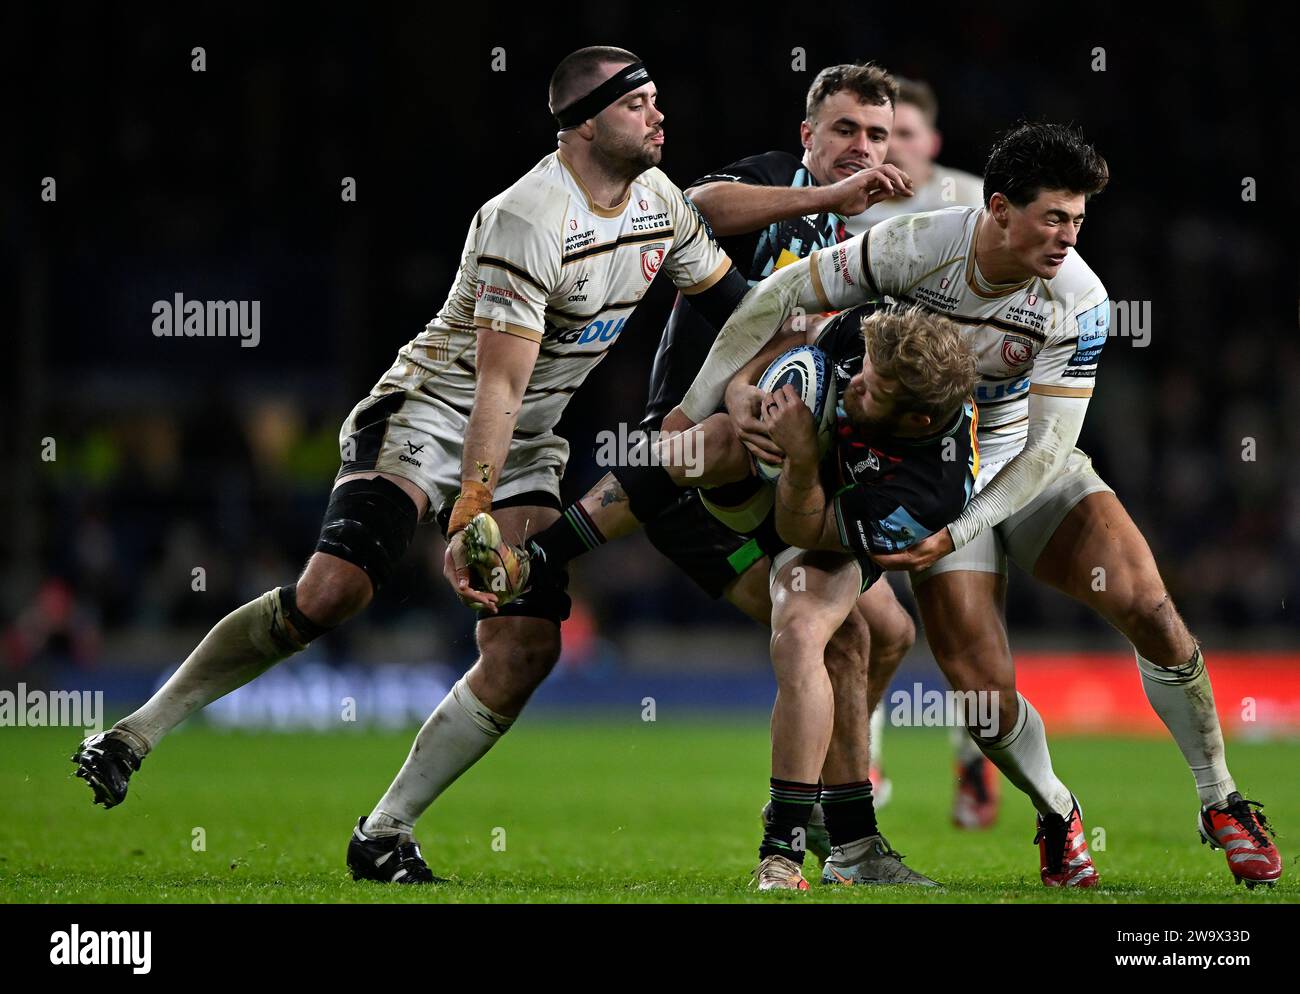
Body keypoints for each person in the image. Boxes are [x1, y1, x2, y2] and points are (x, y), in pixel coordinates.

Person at [73, 46, 752, 886]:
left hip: (527, 443)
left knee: (527, 644)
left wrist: (830, 215)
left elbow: (739, 303)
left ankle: (384, 831)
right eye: (638, 102)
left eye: (657, 99)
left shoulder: (658, 201)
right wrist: (471, 511)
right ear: (584, 122)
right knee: (334, 594)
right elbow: (497, 380)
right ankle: (133, 732)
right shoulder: (527, 218)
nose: (660, 115)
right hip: (430, 415)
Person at [663, 121, 1282, 889]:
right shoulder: (918, 247)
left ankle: (1221, 798)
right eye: (1052, 217)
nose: (1067, 237)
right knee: (984, 698)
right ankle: (1058, 812)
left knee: (1150, 604)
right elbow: (786, 291)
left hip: (1023, 465)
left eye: (1078, 220)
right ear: (998, 209)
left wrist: (963, 528)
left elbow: (1051, 451)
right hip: (925, 478)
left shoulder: (1080, 301)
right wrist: (699, 405)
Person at [476, 65, 917, 862]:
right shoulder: (774, 185)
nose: (863, 148)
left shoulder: (859, 248)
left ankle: (822, 790)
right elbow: (695, 208)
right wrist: (823, 197)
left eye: (878, 135)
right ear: (809, 133)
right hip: (693, 460)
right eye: (846, 129)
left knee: (886, 631)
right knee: (829, 633)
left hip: (773, 460)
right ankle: (825, 831)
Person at [846, 75, 998, 830]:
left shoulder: (978, 203)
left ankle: (974, 766)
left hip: (956, 440)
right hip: (869, 433)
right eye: (879, 136)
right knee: (862, 616)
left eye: (902, 135)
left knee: (961, 626)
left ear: (932, 142)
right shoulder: (852, 205)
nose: (888, 149)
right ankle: (861, 766)